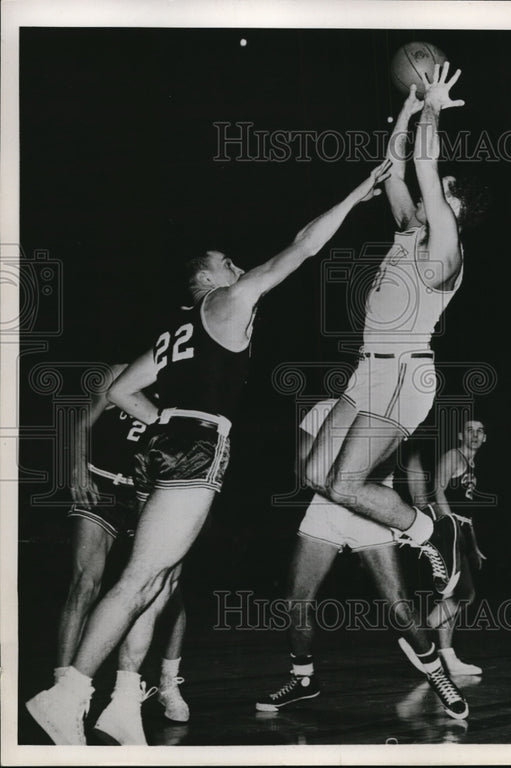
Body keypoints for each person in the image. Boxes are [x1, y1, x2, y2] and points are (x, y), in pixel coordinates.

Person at [26, 159, 392, 745]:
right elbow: (303, 247)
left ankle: (124, 701)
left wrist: (165, 421)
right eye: (227, 263)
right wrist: (356, 196)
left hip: (167, 448)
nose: (239, 267)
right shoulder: (227, 302)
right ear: (207, 278)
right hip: (193, 449)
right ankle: (67, 692)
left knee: (162, 580)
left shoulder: (176, 332)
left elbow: (121, 391)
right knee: (141, 577)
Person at [303, 63, 488, 597]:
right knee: (316, 476)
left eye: (444, 191)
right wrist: (406, 114)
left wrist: (432, 105)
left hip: (404, 375)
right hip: (367, 371)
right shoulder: (411, 229)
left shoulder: (446, 245)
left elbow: (426, 164)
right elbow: (396, 173)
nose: (433, 193)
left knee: (345, 484)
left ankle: (436, 533)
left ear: (456, 208)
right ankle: (427, 530)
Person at [255, 399, 469, 719]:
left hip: (371, 514)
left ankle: (437, 674)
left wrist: (413, 516)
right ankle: (303, 678)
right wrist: (343, 491)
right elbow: (302, 466)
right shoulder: (325, 409)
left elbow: (413, 471)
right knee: (296, 602)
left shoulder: (392, 410)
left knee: (399, 606)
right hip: (325, 510)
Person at [58, 363, 190, 737]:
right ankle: (63, 691)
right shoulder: (119, 371)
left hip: (148, 494)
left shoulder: (190, 380)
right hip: (102, 485)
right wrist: (76, 469)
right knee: (85, 582)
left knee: (167, 590)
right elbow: (82, 424)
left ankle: (167, 683)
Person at [425, 419, 488, 675]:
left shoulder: (472, 464)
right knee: (465, 595)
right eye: (470, 430)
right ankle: (416, 634)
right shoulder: (454, 456)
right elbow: (437, 491)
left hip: (460, 530)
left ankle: (448, 658)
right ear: (461, 435)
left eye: (480, 431)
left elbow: (467, 512)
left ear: (485, 438)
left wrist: (474, 545)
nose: (475, 434)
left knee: (451, 597)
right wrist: (449, 528)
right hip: (447, 530)